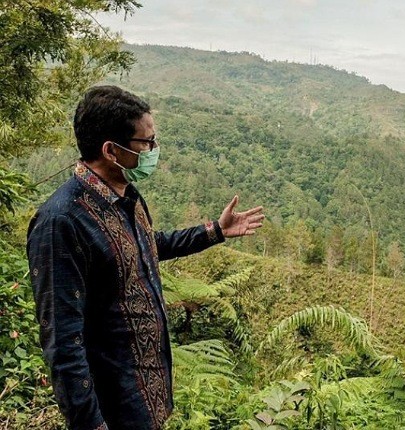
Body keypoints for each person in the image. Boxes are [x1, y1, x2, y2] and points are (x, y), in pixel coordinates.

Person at [26, 86, 264, 430]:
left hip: (146, 400)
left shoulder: (127, 196)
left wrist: (215, 231)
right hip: (112, 409)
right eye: (146, 143)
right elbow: (63, 342)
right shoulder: (61, 222)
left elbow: (146, 246)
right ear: (111, 151)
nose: (154, 150)